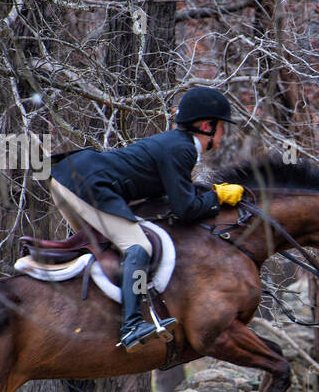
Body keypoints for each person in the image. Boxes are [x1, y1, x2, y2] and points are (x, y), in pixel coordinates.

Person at [49, 87, 240, 350]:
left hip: (68, 176)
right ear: (207, 125)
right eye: (222, 127)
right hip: (87, 182)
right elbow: (185, 209)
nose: (224, 134)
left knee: (107, 250)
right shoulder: (183, 148)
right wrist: (218, 197)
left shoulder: (175, 143)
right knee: (139, 247)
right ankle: (131, 326)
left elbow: (171, 199)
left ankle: (89, 317)